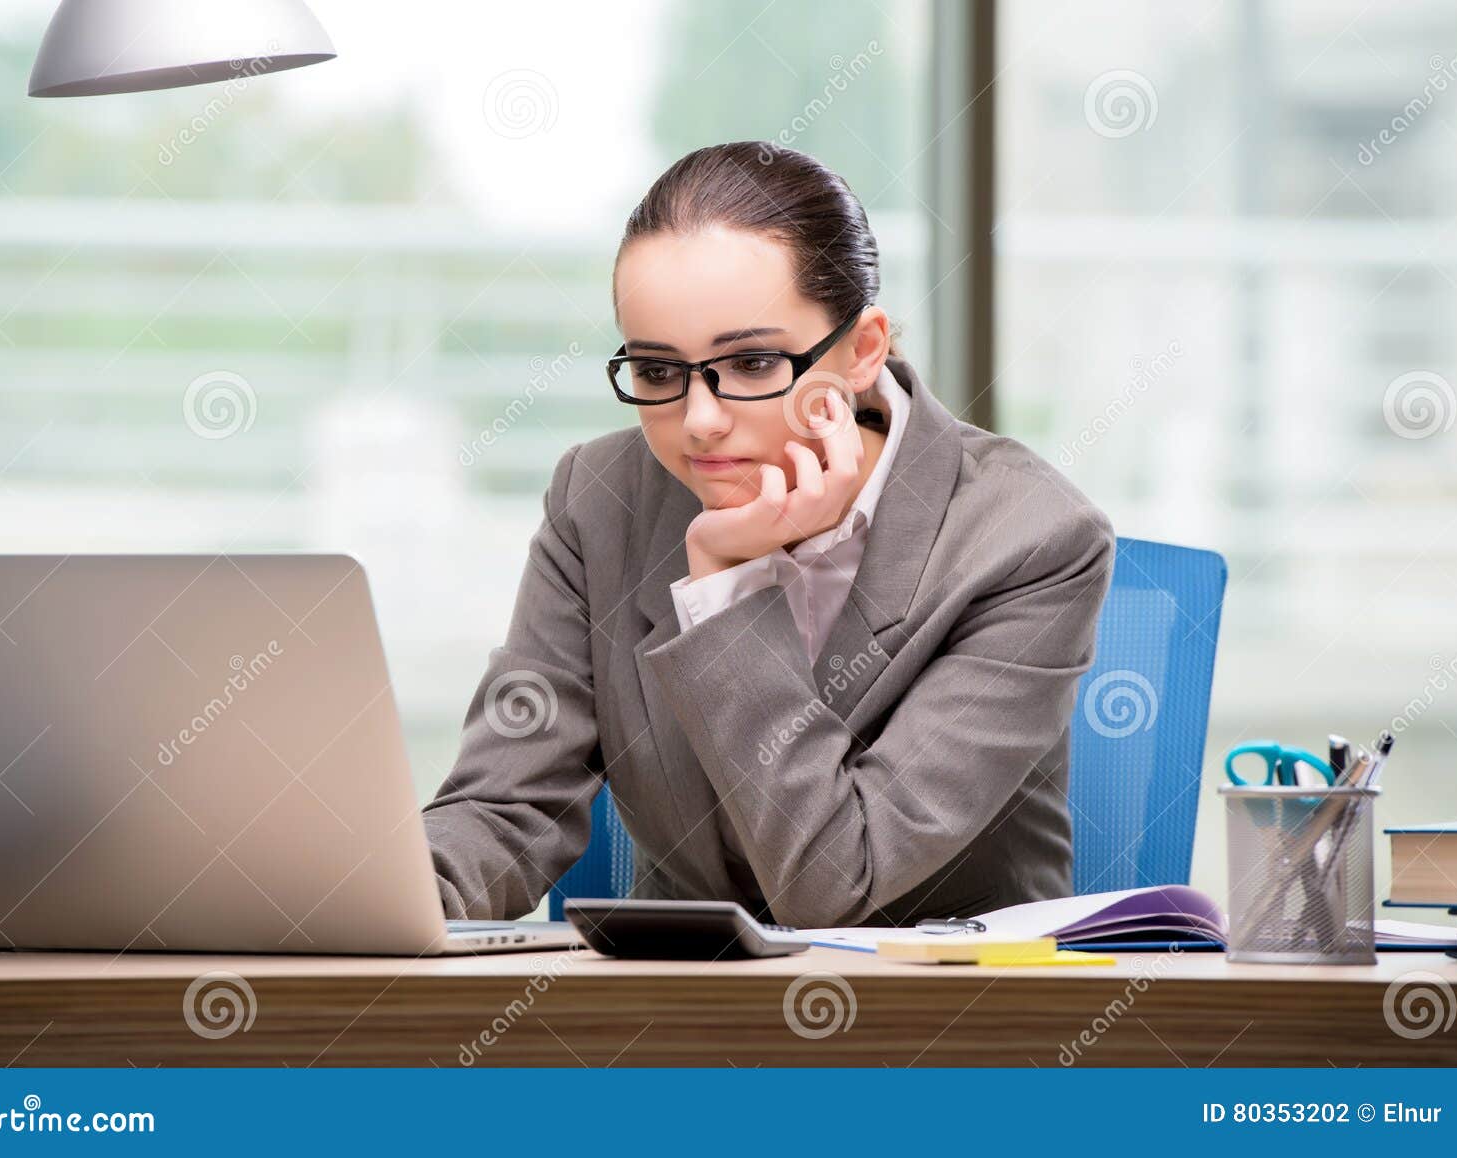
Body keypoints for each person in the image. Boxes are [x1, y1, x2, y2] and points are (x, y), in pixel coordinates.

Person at [423, 141, 1114, 929]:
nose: (700, 421)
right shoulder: (599, 501)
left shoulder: (1029, 539)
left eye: (751, 363)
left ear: (862, 350)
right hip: (676, 998)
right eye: (657, 372)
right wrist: (372, 895)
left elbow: (836, 885)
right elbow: (506, 807)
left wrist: (728, 586)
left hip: (934, 998)